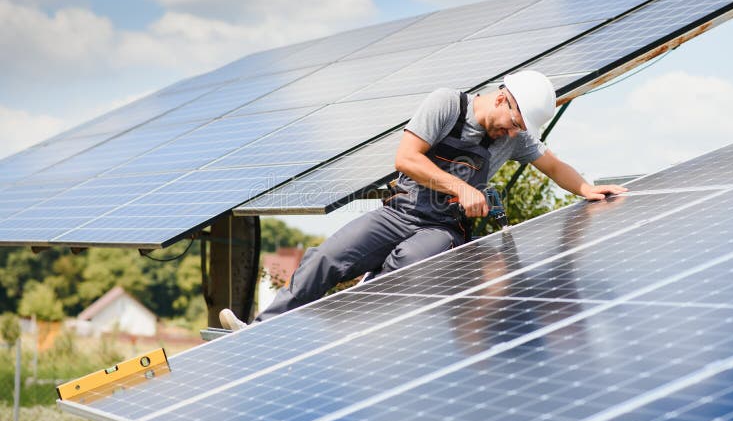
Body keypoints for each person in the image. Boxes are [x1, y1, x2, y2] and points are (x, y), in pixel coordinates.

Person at [219, 70, 627, 331]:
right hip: (401, 211)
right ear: (503, 98)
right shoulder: (447, 104)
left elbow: (553, 166)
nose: (513, 133)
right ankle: (258, 331)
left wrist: (586, 189)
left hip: (444, 229)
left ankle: (361, 299)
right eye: (514, 122)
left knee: (408, 264)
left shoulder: (516, 138)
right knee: (327, 258)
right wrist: (461, 187)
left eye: (521, 129)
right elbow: (405, 159)